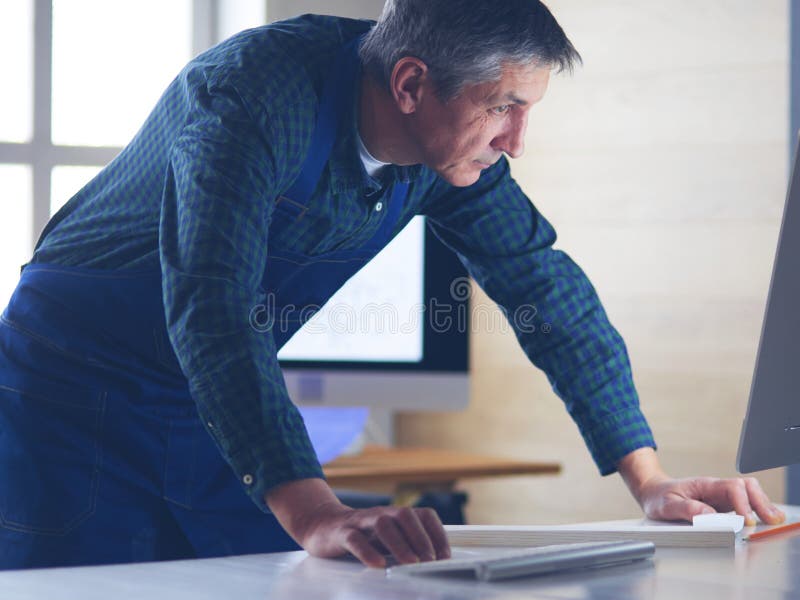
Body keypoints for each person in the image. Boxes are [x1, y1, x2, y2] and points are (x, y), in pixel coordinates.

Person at [0, 0, 784, 570]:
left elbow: (544, 285)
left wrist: (649, 482)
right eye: (504, 107)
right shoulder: (249, 98)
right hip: (69, 395)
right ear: (412, 84)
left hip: (208, 408)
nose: (518, 142)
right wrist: (315, 510)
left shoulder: (445, 155)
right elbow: (215, 306)